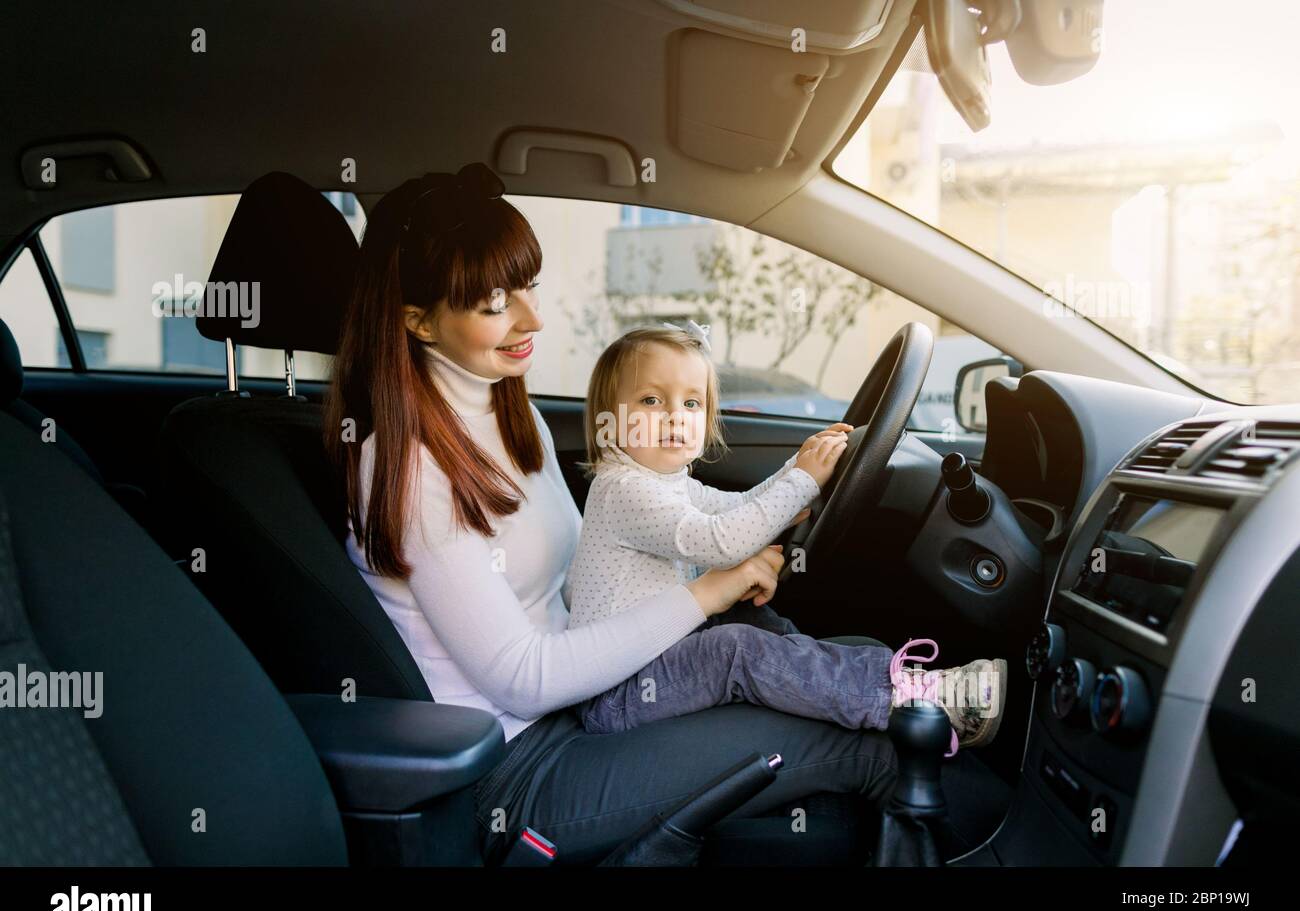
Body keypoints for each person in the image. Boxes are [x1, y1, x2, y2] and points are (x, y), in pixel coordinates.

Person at [323, 162, 982, 866]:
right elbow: (522, 679)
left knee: (845, 660)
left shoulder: (509, 415)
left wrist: (742, 546)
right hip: (514, 770)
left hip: (588, 699)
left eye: (528, 286)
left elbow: (589, 569)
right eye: (493, 304)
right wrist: (707, 594)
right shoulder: (407, 469)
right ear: (417, 320)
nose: (532, 318)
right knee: (872, 743)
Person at [567, 325, 1008, 755]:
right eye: (651, 400)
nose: (675, 415)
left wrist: (798, 467)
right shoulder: (623, 490)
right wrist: (802, 483)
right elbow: (721, 541)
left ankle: (839, 679)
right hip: (619, 693)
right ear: (610, 418)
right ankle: (910, 701)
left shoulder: (665, 481)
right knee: (736, 650)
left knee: (747, 618)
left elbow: (739, 505)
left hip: (658, 656)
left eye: (691, 403)